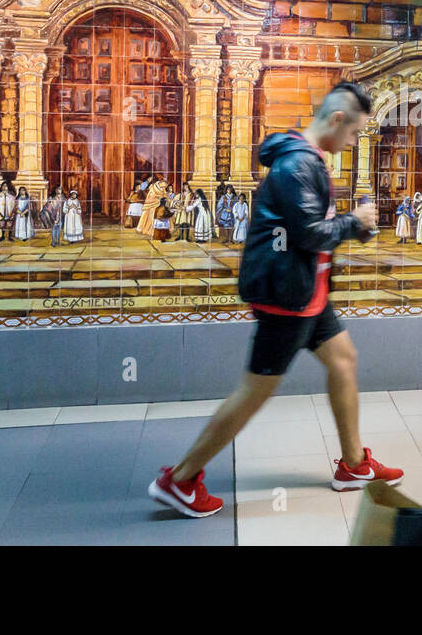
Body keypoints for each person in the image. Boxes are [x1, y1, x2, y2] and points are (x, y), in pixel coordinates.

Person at [149, 82, 402, 517]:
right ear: (338, 119)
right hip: (288, 298)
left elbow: (311, 230)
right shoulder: (298, 165)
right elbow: (307, 234)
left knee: (343, 360)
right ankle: (181, 479)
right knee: (253, 391)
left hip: (308, 292)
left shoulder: (307, 160)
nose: (354, 141)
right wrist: (354, 220)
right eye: (356, 131)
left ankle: (355, 466)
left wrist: (351, 226)